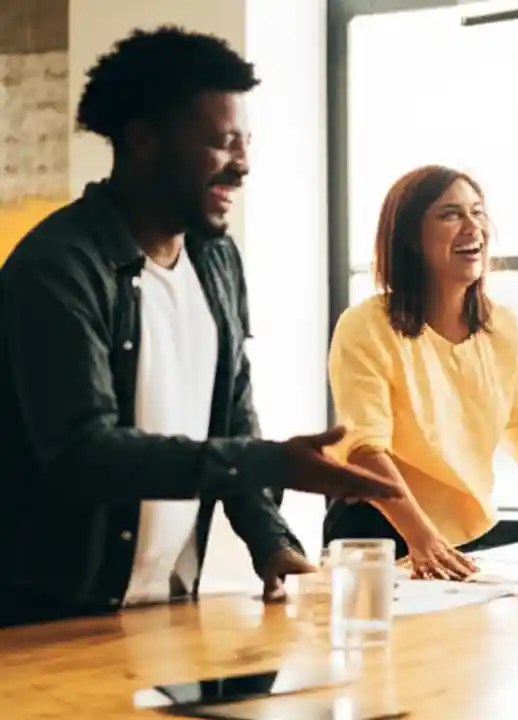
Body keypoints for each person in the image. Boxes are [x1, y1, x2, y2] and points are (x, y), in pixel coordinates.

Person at [0, 27, 400, 628]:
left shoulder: (216, 260)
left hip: (162, 609)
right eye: (221, 142)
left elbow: (231, 417)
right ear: (143, 140)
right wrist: (270, 463)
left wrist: (271, 541)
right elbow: (83, 453)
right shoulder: (58, 267)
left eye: (246, 142)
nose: (243, 165)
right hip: (43, 616)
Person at [324, 164, 518, 580]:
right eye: (450, 214)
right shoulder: (365, 325)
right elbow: (364, 447)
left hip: (463, 533)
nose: (472, 227)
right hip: (379, 528)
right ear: (410, 237)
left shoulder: (502, 327)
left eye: (477, 212)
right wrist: (421, 537)